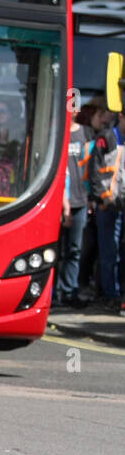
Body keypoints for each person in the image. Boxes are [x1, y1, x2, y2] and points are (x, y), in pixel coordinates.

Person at [86, 101, 122, 309]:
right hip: (107, 204)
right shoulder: (106, 138)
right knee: (109, 252)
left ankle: (117, 292)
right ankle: (110, 294)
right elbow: (95, 170)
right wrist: (102, 198)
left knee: (119, 251)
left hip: (122, 203)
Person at [56, 104, 93, 307]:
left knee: (75, 249)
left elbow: (91, 165)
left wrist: (91, 198)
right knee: (57, 250)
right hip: (59, 201)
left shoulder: (86, 133)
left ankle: (69, 290)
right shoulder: (58, 133)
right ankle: (54, 293)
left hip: (80, 198)